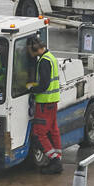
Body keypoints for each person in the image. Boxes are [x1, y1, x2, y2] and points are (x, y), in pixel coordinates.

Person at [26, 37, 63, 174]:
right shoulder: (50, 57)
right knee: (53, 130)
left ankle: (54, 161)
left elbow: (44, 85)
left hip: (44, 103)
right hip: (52, 101)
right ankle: (57, 157)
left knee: (39, 133)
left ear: (35, 49)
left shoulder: (43, 62)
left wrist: (31, 88)